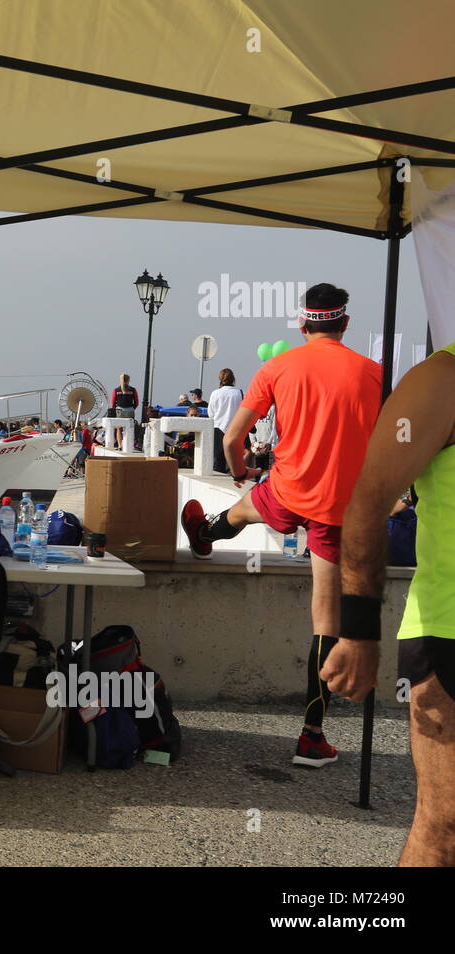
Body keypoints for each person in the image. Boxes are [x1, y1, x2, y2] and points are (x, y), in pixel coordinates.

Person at [180, 284, 381, 766]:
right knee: (325, 619)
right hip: (341, 508)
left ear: (302, 323)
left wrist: (238, 470)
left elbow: (232, 437)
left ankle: (204, 534)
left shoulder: (279, 366)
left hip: (288, 488)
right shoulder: (375, 374)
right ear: (345, 323)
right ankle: (312, 736)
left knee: (247, 505)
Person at [324, 342, 455, 865]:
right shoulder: (441, 380)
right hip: (448, 631)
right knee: (446, 826)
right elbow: (368, 504)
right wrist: (358, 632)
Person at [208, 368, 246, 473]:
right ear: (233, 379)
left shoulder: (215, 393)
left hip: (218, 429)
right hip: (236, 429)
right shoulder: (240, 393)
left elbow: (211, 413)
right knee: (236, 461)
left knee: (218, 462)